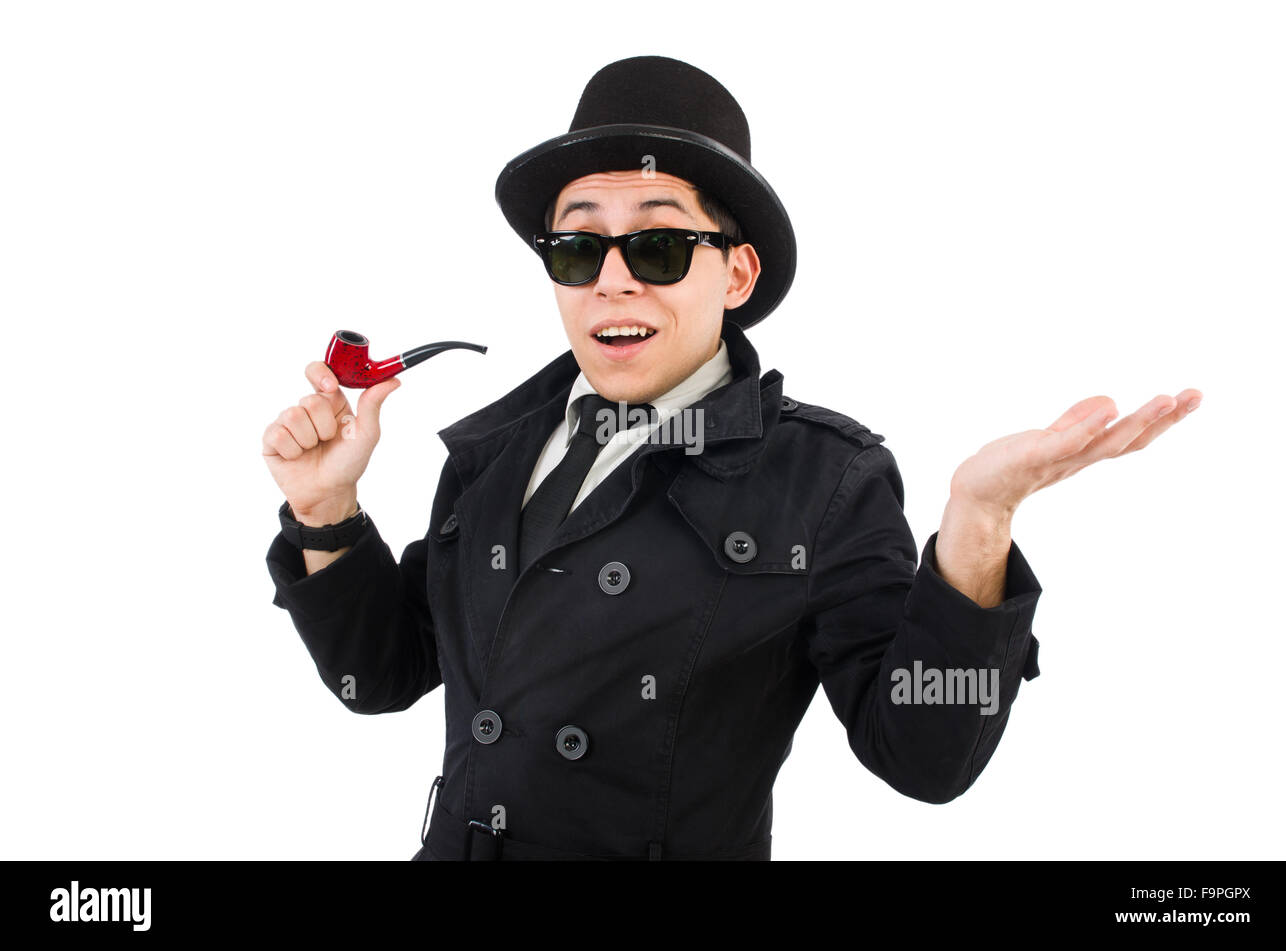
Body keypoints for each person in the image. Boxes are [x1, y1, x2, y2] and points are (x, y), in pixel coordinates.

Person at [261, 55, 1202, 860]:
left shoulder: (823, 478)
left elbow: (922, 754)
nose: (613, 277)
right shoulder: (492, 450)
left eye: (661, 244)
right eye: (578, 245)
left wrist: (977, 527)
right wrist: (325, 510)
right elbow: (381, 677)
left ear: (736, 273)